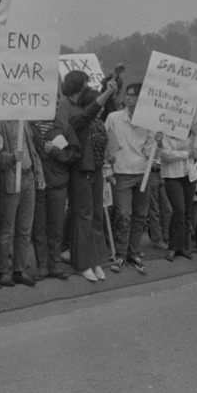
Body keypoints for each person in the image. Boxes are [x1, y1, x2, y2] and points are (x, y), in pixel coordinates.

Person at [58, 70, 119, 283]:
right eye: (85, 85)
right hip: (79, 170)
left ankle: (95, 260)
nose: (88, 88)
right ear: (77, 86)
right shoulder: (67, 109)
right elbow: (84, 117)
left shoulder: (87, 108)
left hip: (95, 169)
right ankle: (82, 262)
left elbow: (97, 110)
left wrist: (110, 86)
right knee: (83, 216)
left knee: (96, 216)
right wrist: (104, 96)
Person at [0, 117, 46, 287]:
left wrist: (38, 174)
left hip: (28, 177)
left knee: (25, 229)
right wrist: (11, 157)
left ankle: (19, 270)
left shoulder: (23, 121)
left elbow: (32, 150)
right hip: (10, 179)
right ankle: (3, 272)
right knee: (7, 230)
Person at [104, 82, 153, 274]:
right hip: (122, 172)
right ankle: (120, 254)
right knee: (123, 215)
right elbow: (107, 144)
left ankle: (133, 252)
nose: (128, 98)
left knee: (140, 216)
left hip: (143, 172)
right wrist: (108, 170)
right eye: (127, 94)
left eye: (133, 95)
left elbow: (149, 150)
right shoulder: (114, 118)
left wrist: (156, 142)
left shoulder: (149, 121)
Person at [30, 116, 80, 281]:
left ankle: (54, 265)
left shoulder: (64, 127)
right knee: (38, 227)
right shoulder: (29, 125)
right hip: (37, 182)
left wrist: (55, 152)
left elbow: (75, 154)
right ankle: (43, 266)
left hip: (57, 183)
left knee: (56, 226)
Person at [157, 124, 197, 262]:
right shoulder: (165, 132)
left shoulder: (192, 133)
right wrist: (187, 154)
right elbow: (166, 154)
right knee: (179, 210)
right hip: (172, 175)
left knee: (187, 211)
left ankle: (184, 246)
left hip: (190, 175)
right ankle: (173, 246)